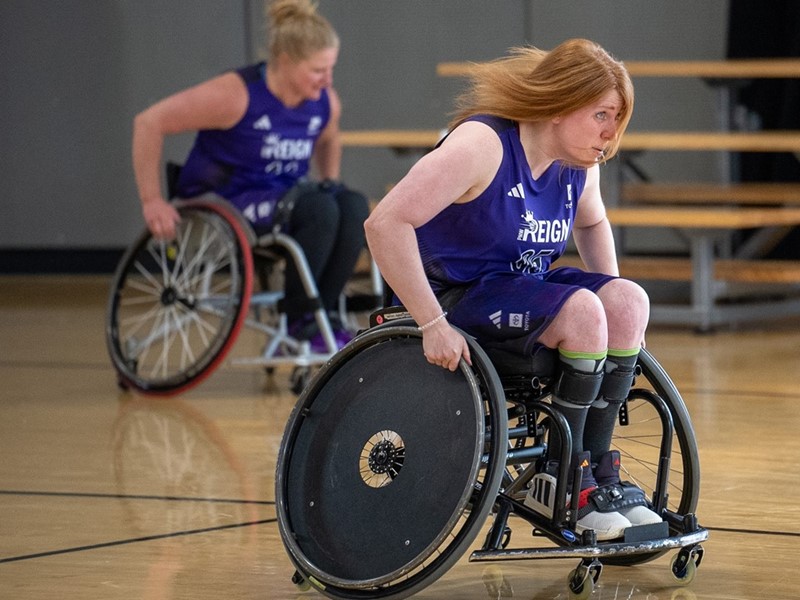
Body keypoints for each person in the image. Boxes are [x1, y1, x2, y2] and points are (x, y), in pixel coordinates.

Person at [365, 39, 662, 541]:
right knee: (586, 312)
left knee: (628, 300)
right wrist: (431, 323)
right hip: (456, 296)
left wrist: (619, 320)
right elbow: (385, 223)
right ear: (561, 104)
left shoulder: (578, 164)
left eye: (617, 119)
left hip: (519, 289)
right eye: (602, 116)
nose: (611, 135)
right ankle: (560, 476)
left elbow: (593, 226)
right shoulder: (483, 146)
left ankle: (597, 473)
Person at [132, 0, 369, 351]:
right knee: (319, 209)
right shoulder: (235, 95)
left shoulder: (323, 100)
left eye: (331, 68)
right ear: (286, 62)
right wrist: (152, 200)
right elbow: (148, 122)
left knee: (352, 205)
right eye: (318, 70)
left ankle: (326, 315)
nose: (328, 79)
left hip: (285, 200)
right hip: (225, 201)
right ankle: (299, 320)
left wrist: (330, 179)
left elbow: (330, 136)